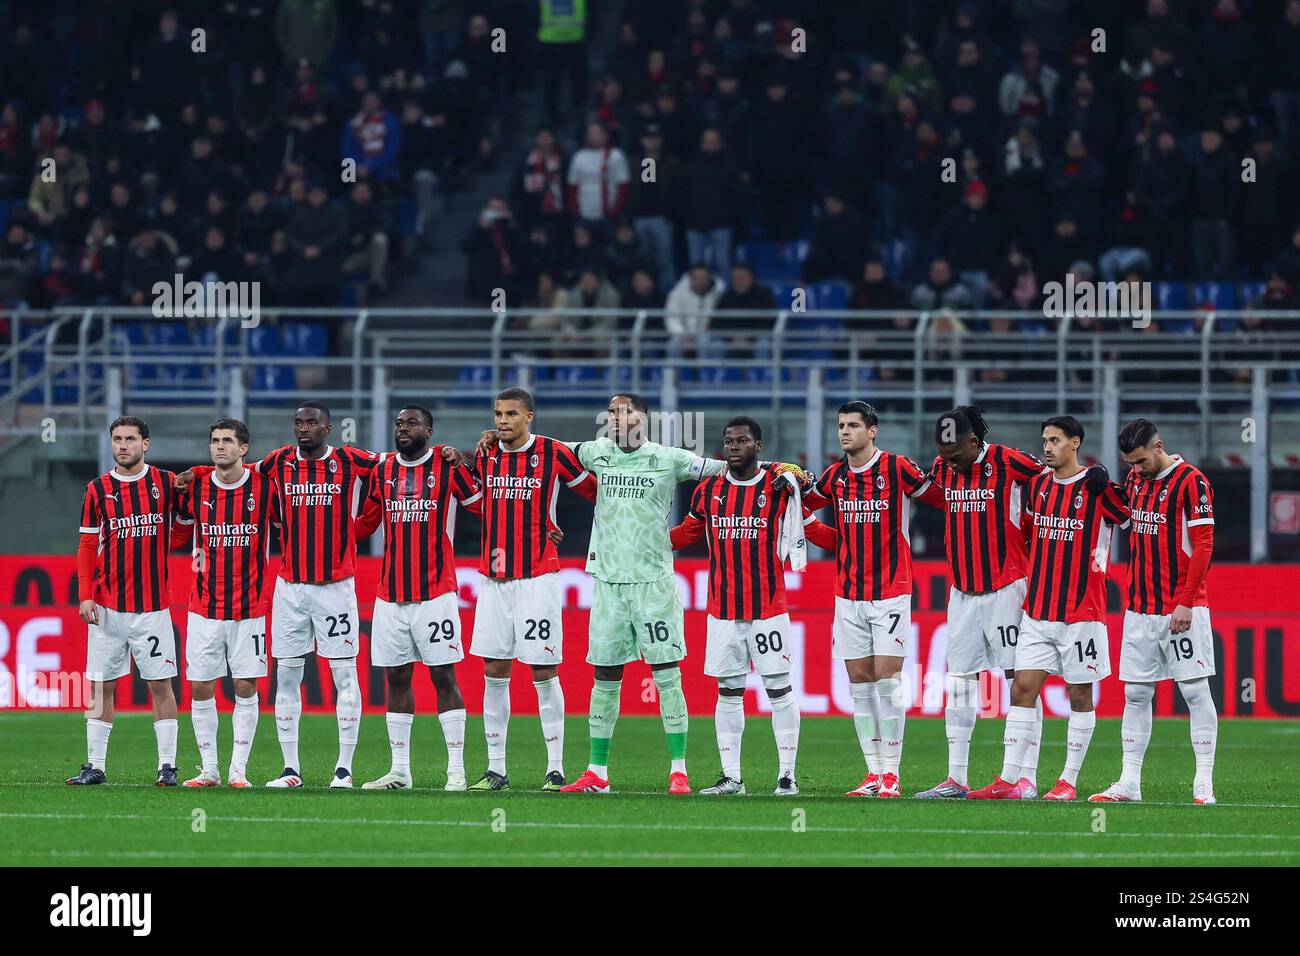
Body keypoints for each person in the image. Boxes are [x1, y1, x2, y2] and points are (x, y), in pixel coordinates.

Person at [179, 402, 384, 789]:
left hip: (336, 588)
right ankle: (291, 769)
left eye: (312, 423)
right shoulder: (279, 462)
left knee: (344, 677)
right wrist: (201, 471)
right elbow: (239, 471)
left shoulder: (349, 460)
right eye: (298, 422)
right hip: (289, 588)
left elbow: (395, 467)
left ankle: (344, 769)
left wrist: (363, 524)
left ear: (328, 429)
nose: (303, 428)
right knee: (286, 678)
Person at [969, 417, 1128, 801]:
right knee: (1022, 689)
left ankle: (1068, 781)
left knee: (1079, 696)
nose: (1047, 447)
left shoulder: (1097, 487)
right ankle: (1009, 780)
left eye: (1055, 440)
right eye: (1044, 440)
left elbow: (1131, 511)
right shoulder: (1038, 485)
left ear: (1075, 443)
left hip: (1081, 613)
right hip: (1038, 610)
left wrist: (1107, 476)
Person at [911, 407, 1048, 798]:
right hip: (962, 591)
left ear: (974, 441)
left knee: (1019, 682)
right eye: (943, 455)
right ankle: (956, 778)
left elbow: (1056, 485)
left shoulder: (1012, 461)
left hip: (1006, 588)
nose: (948, 463)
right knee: (960, 683)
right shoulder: (944, 466)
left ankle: (1024, 778)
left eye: (955, 455)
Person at [464, 388, 597, 791]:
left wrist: (562, 529)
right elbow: (480, 504)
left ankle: (555, 768)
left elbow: (593, 492)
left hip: (538, 577)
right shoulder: (487, 453)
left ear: (529, 417)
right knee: (494, 670)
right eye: (498, 414)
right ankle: (496, 770)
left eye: (510, 414)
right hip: (493, 579)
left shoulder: (554, 452)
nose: (502, 420)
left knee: (542, 670)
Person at [669, 417, 806, 796]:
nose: (733, 446)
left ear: (758, 446)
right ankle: (732, 777)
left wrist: (792, 472)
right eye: (729, 441)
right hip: (723, 610)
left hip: (768, 608)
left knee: (779, 689)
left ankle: (787, 776)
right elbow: (686, 534)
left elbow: (806, 492)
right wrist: (646, 541)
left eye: (742, 441)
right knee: (728, 692)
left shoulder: (779, 486)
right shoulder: (709, 490)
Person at [802, 402, 933, 797]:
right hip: (848, 594)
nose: (845, 432)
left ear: (872, 431)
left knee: (887, 682)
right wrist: (796, 502)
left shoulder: (897, 468)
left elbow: (941, 500)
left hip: (890, 592)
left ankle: (892, 773)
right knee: (858, 683)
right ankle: (872, 773)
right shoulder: (835, 476)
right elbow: (806, 508)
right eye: (841, 425)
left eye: (854, 425)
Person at [352, 405, 482, 792]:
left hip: (435, 592)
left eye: (412, 423)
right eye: (398, 423)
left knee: (443, 674)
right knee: (397, 676)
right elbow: (367, 522)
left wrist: (466, 460)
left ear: (429, 429)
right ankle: (400, 771)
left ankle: (455, 770)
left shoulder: (448, 465)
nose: (403, 428)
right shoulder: (383, 470)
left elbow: (481, 506)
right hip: (390, 593)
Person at [1090, 419, 1218, 805]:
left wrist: (1185, 600)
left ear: (1159, 446)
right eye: (1129, 463)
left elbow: (1204, 546)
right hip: (1140, 607)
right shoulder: (1134, 482)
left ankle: (1203, 782)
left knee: (1194, 690)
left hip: (1181, 607)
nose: (1135, 468)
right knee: (1136, 693)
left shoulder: (1192, 481)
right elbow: (1126, 518)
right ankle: (1129, 782)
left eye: (1141, 460)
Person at [68, 417, 185, 786]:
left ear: (145, 444)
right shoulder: (98, 488)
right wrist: (85, 595)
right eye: (117, 439)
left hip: (152, 608)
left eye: (130, 439)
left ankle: (167, 766)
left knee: (161, 685)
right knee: (101, 686)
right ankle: (95, 766)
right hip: (107, 608)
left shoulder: (166, 483)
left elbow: (180, 533)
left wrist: (181, 517)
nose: (123, 445)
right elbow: (88, 545)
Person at [171, 419, 279, 788]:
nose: (220, 447)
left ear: (243, 449)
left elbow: (285, 527)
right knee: (200, 686)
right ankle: (209, 769)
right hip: (203, 606)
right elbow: (180, 532)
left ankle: (238, 770)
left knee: (245, 686)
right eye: (215, 441)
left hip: (249, 608)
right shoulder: (196, 487)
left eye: (228, 441)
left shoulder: (266, 489)